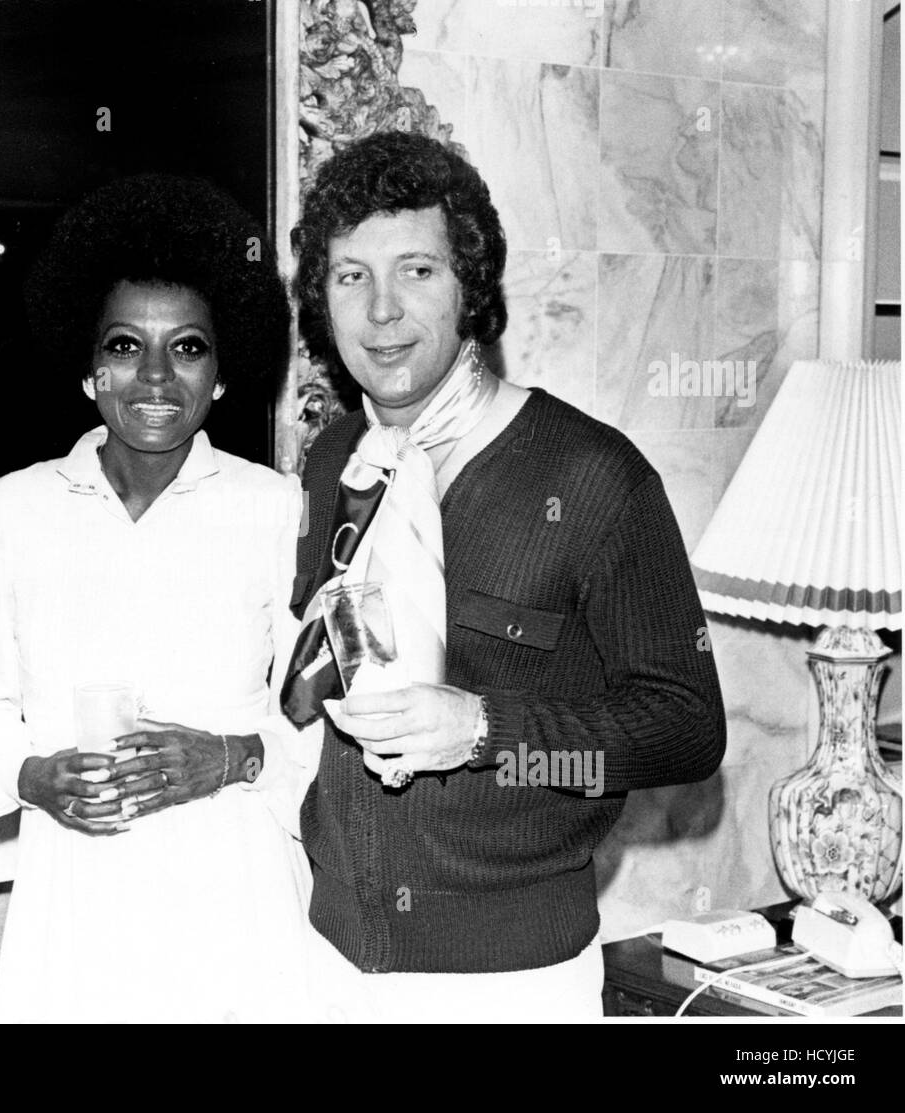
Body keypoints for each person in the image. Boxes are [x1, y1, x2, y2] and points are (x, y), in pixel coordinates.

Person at [282, 131, 727, 1021]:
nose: (381, 312)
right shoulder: (335, 462)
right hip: (329, 962)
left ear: (471, 286)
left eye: (416, 270)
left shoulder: (594, 476)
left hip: (513, 982)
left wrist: (486, 730)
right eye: (351, 276)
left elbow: (687, 731)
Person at [0, 174, 315, 1022]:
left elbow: (319, 735)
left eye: (189, 347)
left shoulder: (275, 510)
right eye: (126, 346)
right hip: (80, 909)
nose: (156, 376)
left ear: (223, 373)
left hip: (236, 907)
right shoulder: (17, 508)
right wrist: (31, 775)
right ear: (88, 367)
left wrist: (231, 756)